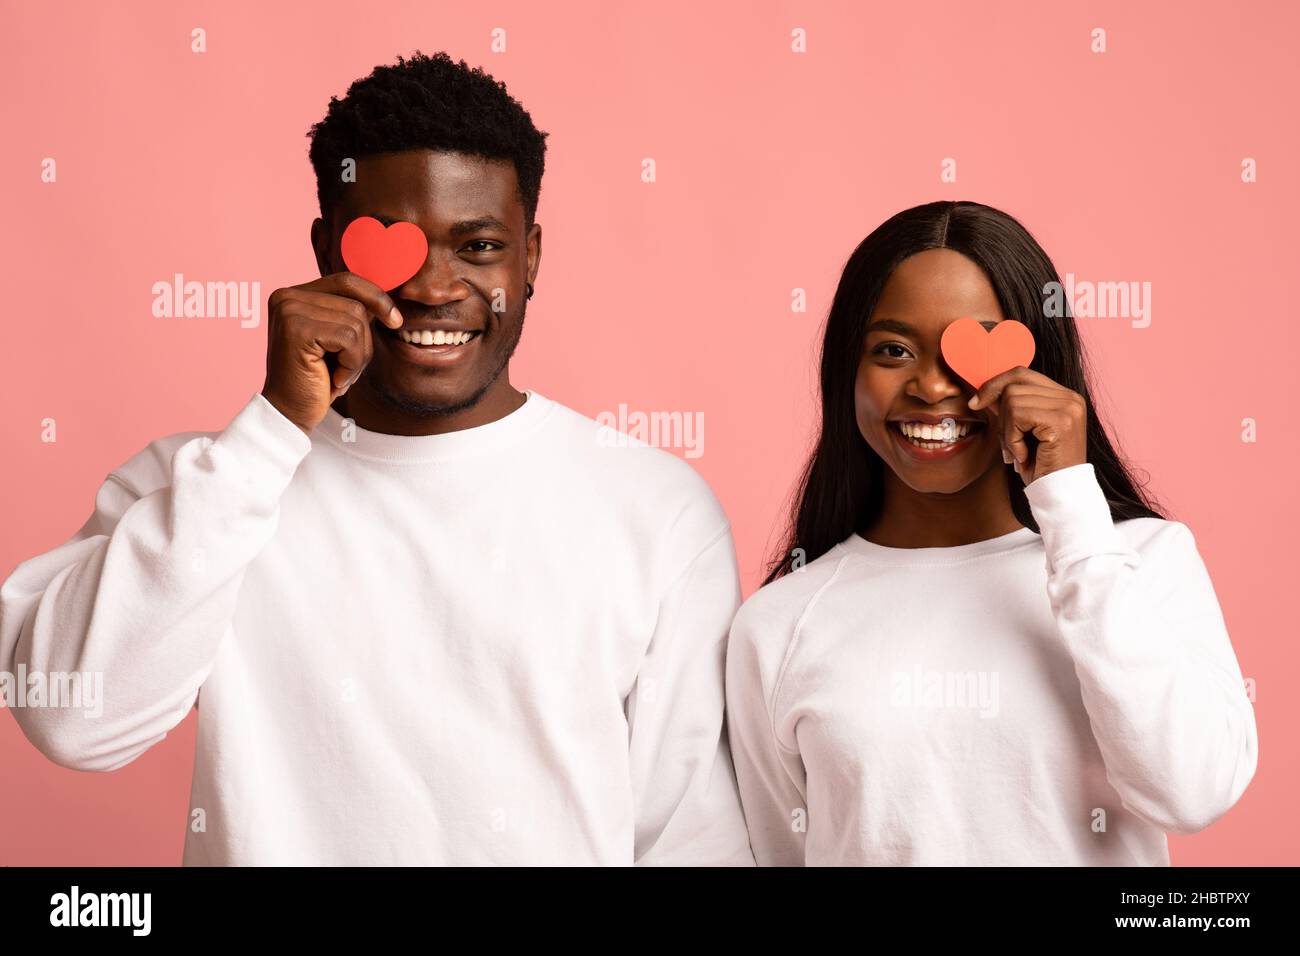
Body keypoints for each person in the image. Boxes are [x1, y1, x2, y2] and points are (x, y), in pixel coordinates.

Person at [0, 51, 754, 866]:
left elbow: (692, 840)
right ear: (325, 250)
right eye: (391, 247)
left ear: (530, 257)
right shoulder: (202, 486)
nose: (434, 287)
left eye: (478, 246)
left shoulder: (656, 510)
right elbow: (76, 723)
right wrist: (274, 429)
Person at [725, 200, 1258, 866]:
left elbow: (1193, 791)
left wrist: (1067, 499)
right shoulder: (777, 625)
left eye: (968, 352)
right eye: (892, 349)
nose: (930, 386)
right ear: (846, 371)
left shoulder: (1143, 561)